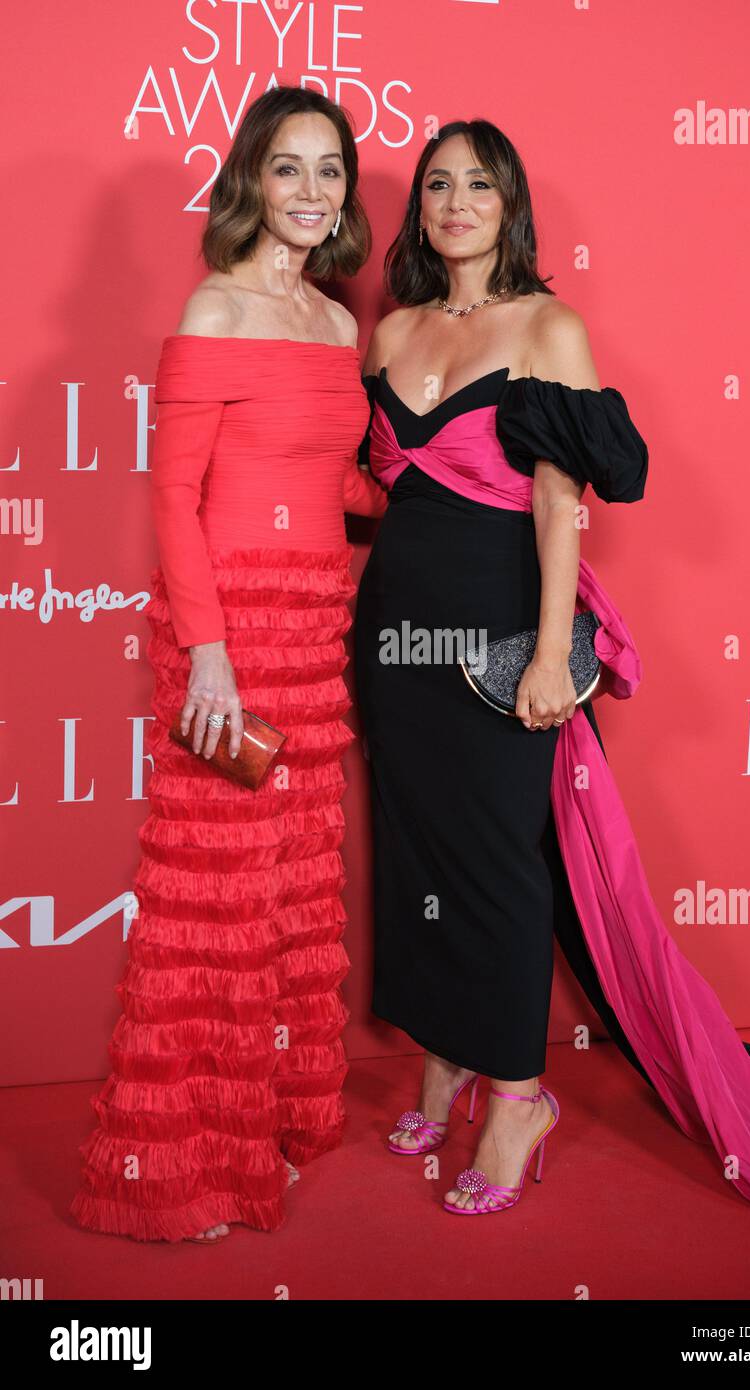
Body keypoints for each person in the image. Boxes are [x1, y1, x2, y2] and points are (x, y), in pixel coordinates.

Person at [352, 119, 750, 1243]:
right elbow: (386, 489)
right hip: (394, 629)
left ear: (508, 203)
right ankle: (442, 1065)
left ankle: (517, 1099)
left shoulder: (549, 326)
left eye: (475, 186)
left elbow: (554, 504)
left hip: (495, 632)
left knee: (490, 860)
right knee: (414, 849)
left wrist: (548, 651)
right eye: (435, 185)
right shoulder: (388, 328)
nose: (451, 202)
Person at [70, 86, 386, 1244]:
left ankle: (265, 1122)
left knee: (288, 893)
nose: (313, 193)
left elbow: (342, 485)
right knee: (211, 899)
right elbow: (174, 493)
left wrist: (440, 474)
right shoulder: (215, 306)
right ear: (250, 179)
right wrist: (207, 656)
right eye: (290, 169)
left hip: (315, 630)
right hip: (232, 636)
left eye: (331, 173)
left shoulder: (337, 326)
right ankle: (185, 1164)